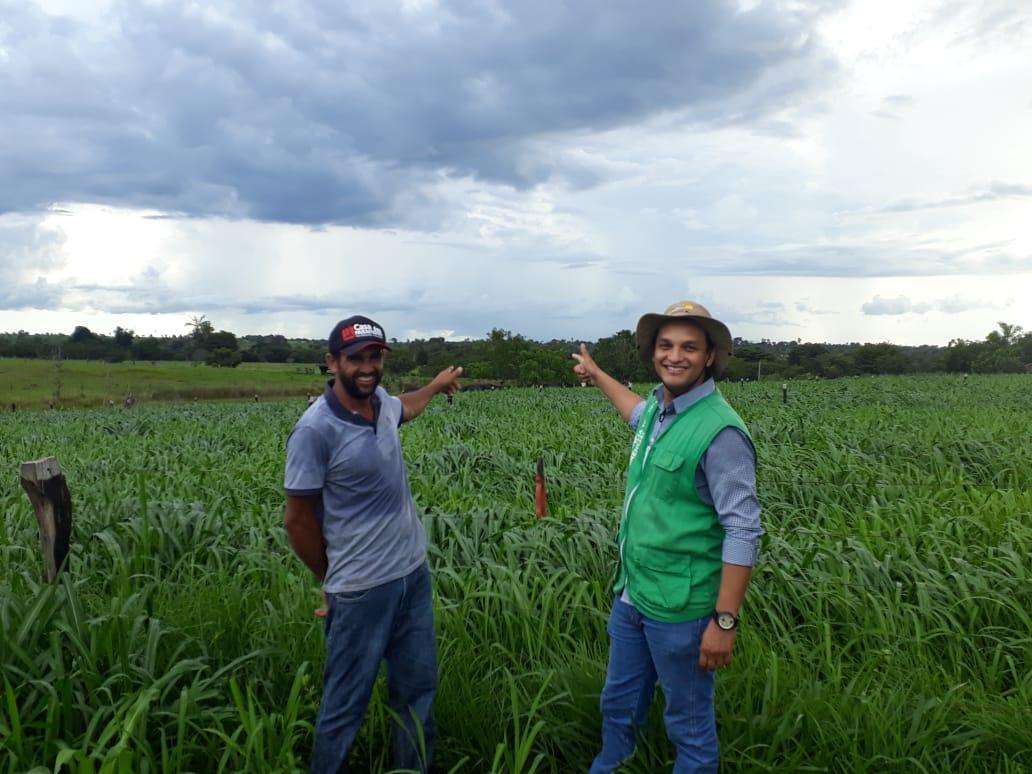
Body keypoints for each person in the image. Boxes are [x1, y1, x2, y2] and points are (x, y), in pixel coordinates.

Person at [572, 301, 763, 774]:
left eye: (689, 347)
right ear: (652, 352)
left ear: (710, 356)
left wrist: (724, 622)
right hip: (633, 593)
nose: (674, 356)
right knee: (617, 703)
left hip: (684, 609)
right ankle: (612, 765)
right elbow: (633, 412)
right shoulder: (661, 410)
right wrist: (596, 374)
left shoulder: (721, 432)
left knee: (689, 726)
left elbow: (743, 528)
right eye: (665, 345)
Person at [283, 315, 462, 774]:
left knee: (418, 691)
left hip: (412, 577)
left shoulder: (381, 403)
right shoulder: (315, 430)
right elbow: (298, 519)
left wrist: (437, 386)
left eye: (374, 357)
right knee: (345, 705)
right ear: (332, 362)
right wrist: (331, 578)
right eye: (355, 358)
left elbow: (407, 405)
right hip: (361, 591)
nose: (367, 367)